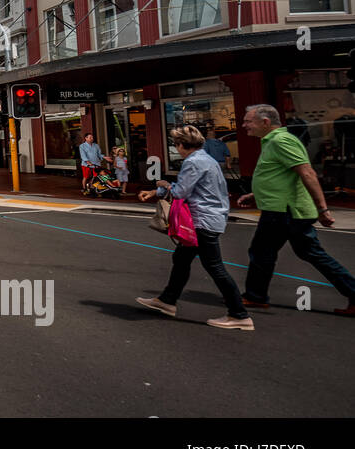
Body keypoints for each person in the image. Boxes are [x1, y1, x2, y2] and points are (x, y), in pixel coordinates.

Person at [236, 104, 355, 317]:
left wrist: (323, 209)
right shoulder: (273, 141)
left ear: (265, 122)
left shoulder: (282, 141)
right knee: (305, 252)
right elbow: (281, 176)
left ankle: (255, 296)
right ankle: (255, 295)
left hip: (284, 211)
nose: (244, 125)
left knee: (263, 252)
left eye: (248, 121)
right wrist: (256, 194)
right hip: (281, 208)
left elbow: (307, 173)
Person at [136, 126, 252, 330]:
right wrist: (158, 190)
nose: (177, 148)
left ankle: (239, 314)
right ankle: (167, 300)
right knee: (181, 259)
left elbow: (180, 192)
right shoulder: (208, 159)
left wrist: (162, 185)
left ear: (181, 145)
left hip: (202, 221)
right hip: (212, 217)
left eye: (176, 145)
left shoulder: (193, 162)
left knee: (215, 267)